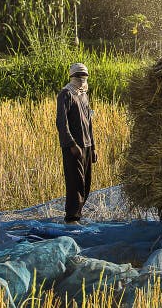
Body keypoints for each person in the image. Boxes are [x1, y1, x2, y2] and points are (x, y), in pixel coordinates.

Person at [56, 62, 96, 224]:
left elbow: (89, 122)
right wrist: (72, 144)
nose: (82, 80)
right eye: (79, 76)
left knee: (86, 184)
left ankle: (78, 215)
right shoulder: (66, 94)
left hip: (86, 146)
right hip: (73, 148)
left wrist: (93, 146)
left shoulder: (84, 94)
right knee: (75, 184)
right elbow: (62, 123)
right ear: (72, 77)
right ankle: (71, 218)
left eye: (84, 76)